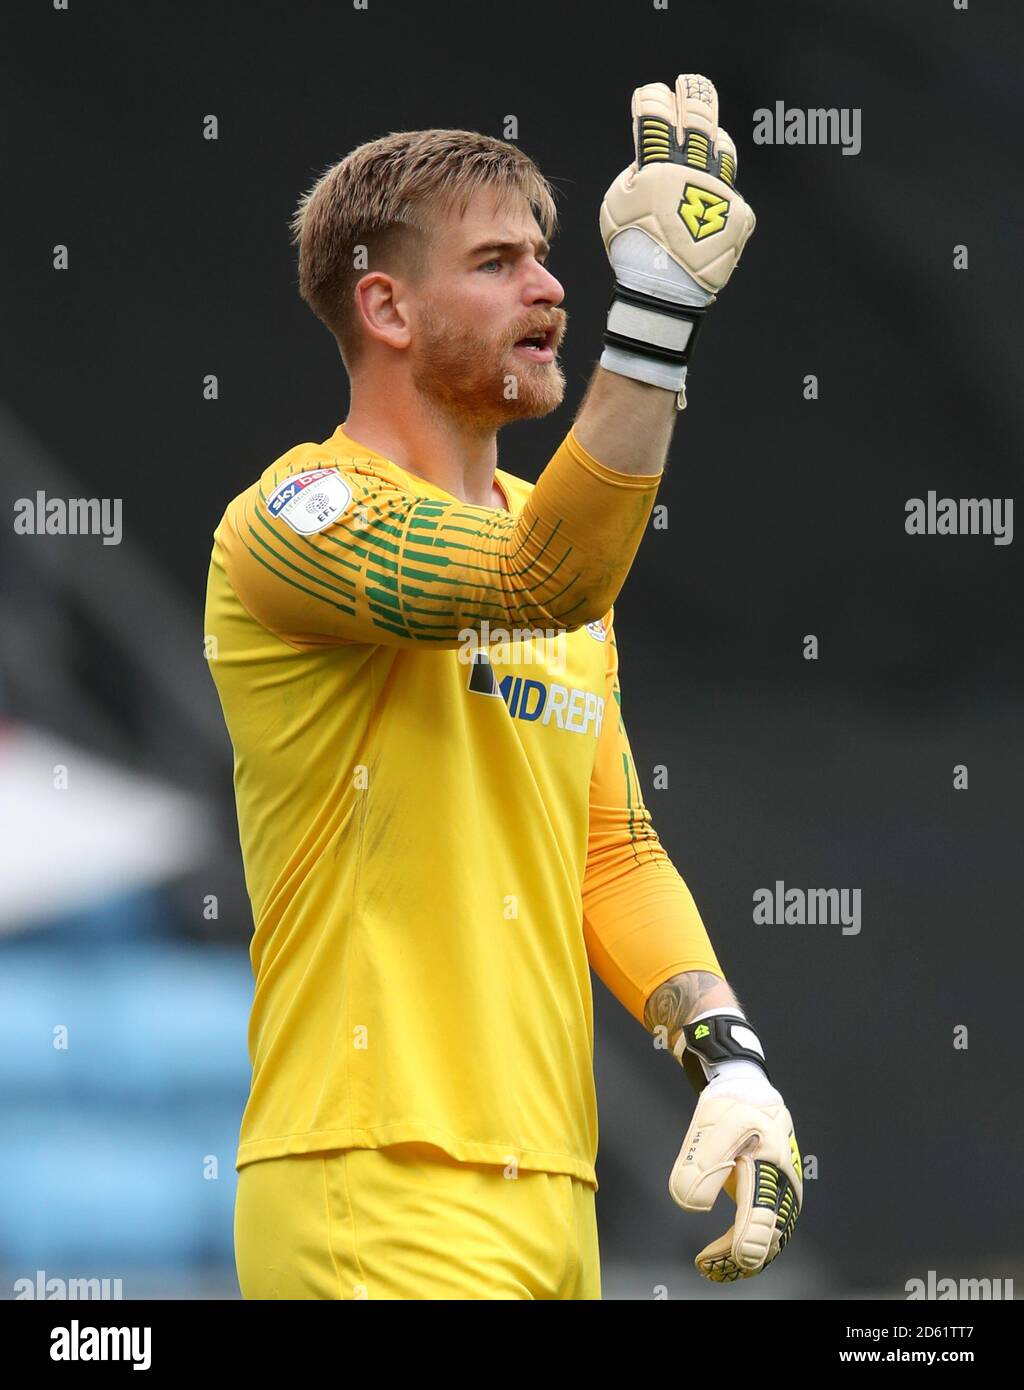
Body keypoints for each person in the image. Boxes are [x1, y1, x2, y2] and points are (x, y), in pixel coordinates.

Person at [205, 73, 802, 1300]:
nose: (549, 286)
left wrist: (729, 1057)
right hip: (371, 1178)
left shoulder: (543, 527)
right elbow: (547, 579)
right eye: (495, 262)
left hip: (551, 1195)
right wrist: (660, 316)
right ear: (387, 306)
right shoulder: (297, 515)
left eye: (544, 255)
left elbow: (609, 850)